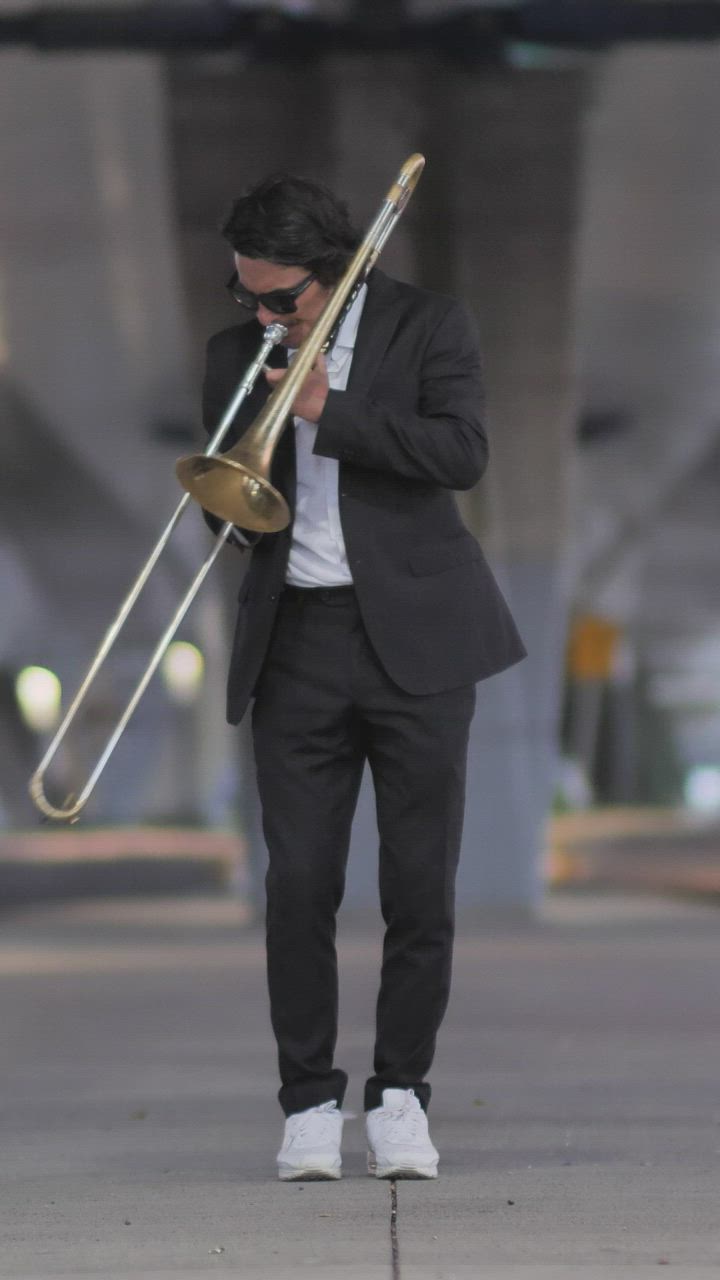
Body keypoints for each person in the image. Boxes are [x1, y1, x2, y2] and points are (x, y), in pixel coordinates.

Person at [201, 172, 525, 1182]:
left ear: (333, 273)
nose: (261, 313)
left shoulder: (429, 326)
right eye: (245, 292)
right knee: (297, 883)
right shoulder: (234, 353)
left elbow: (461, 453)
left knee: (419, 885)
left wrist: (325, 411)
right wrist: (238, 483)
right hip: (297, 639)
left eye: (279, 297)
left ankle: (400, 1097)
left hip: (418, 643)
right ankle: (307, 1102)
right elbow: (228, 506)